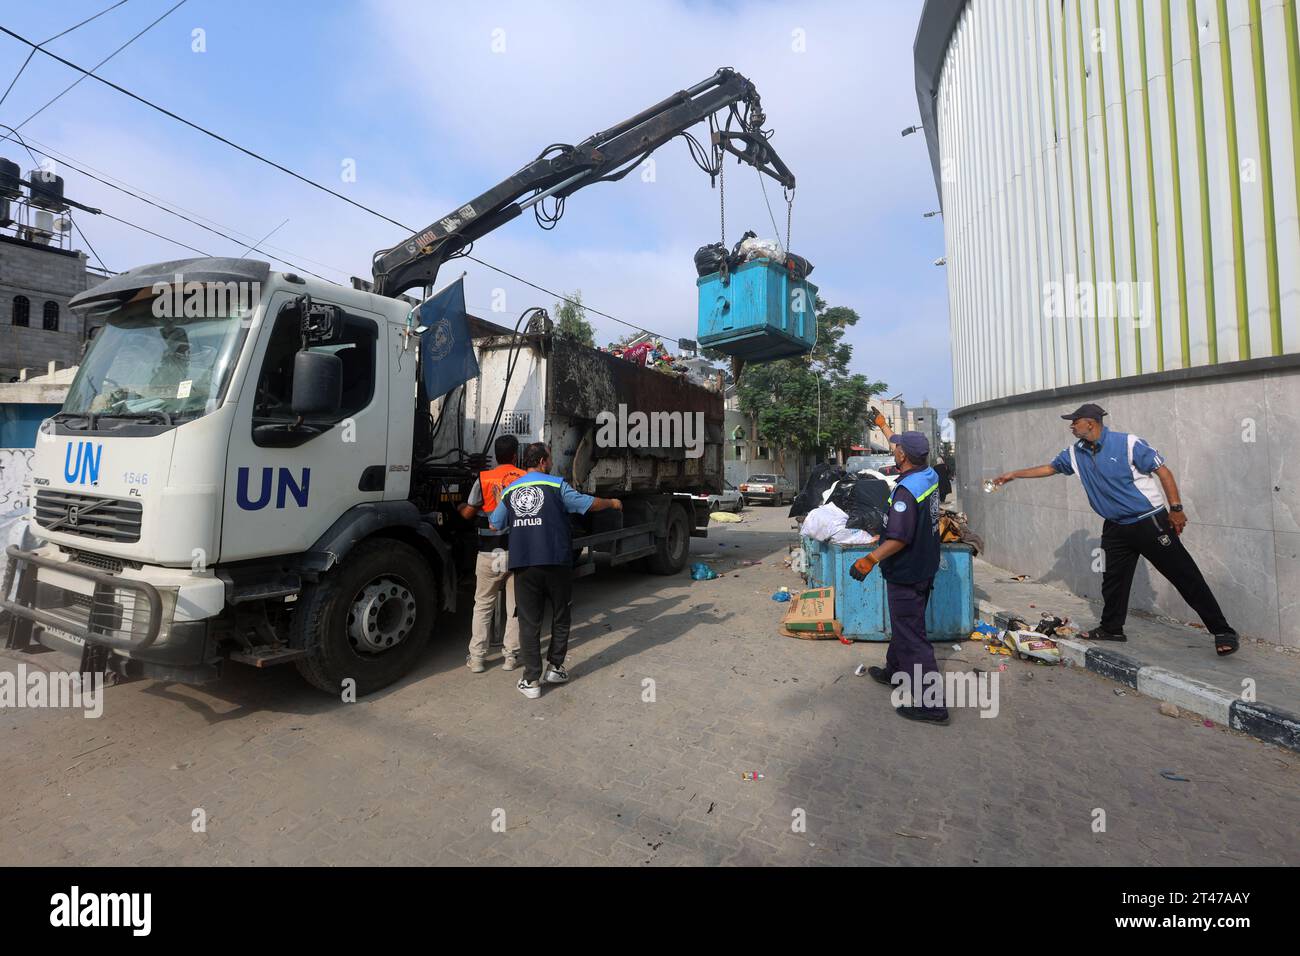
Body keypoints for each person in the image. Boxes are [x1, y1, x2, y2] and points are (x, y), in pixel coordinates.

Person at [993, 403, 1239, 655]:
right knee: (1114, 581)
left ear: (1090, 422)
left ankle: (1223, 631)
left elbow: (1163, 472)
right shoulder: (1074, 453)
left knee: (1184, 575)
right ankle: (1112, 628)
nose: (1071, 426)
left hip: (1149, 521)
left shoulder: (1128, 443)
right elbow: (1050, 468)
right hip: (1115, 527)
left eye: (1075, 421)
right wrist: (1014, 474)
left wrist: (1176, 508)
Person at [489, 442, 622, 699]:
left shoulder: (510, 490)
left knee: (529, 622)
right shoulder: (556, 485)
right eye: (549, 458)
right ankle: (556, 668)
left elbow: (495, 524)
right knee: (561, 615)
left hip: (524, 565)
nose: (551, 462)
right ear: (541, 462)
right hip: (556, 562)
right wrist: (613, 502)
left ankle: (531, 681)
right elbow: (587, 503)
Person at [850, 408, 949, 725]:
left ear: (903, 455)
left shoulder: (907, 490)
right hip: (925, 564)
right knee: (904, 624)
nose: (894, 447)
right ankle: (895, 671)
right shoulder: (929, 474)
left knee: (912, 636)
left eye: (897, 446)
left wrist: (870, 559)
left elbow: (901, 538)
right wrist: (883, 426)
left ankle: (932, 705)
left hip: (907, 569)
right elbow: (900, 443)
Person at [458, 435, 526, 673]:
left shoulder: (483, 478)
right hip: (516, 552)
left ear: (496, 455)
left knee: (483, 605)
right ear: (516, 455)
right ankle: (511, 657)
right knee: (515, 607)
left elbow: (468, 514)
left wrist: (459, 508)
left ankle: (477, 659)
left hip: (489, 552)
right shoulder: (525, 478)